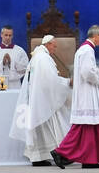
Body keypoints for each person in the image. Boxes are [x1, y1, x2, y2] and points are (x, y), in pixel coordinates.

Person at [52, 24, 99, 168]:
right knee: (85, 126)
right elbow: (87, 72)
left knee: (88, 127)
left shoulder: (85, 49)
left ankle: (89, 159)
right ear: (95, 36)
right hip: (87, 93)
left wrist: (98, 72)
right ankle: (61, 153)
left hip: (87, 92)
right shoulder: (87, 50)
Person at [10, 35, 72, 165]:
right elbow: (51, 80)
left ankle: (38, 157)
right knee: (51, 128)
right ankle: (57, 155)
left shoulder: (37, 57)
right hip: (44, 99)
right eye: (54, 46)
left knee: (41, 129)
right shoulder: (43, 58)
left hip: (39, 98)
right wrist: (67, 82)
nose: (55, 49)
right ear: (48, 44)